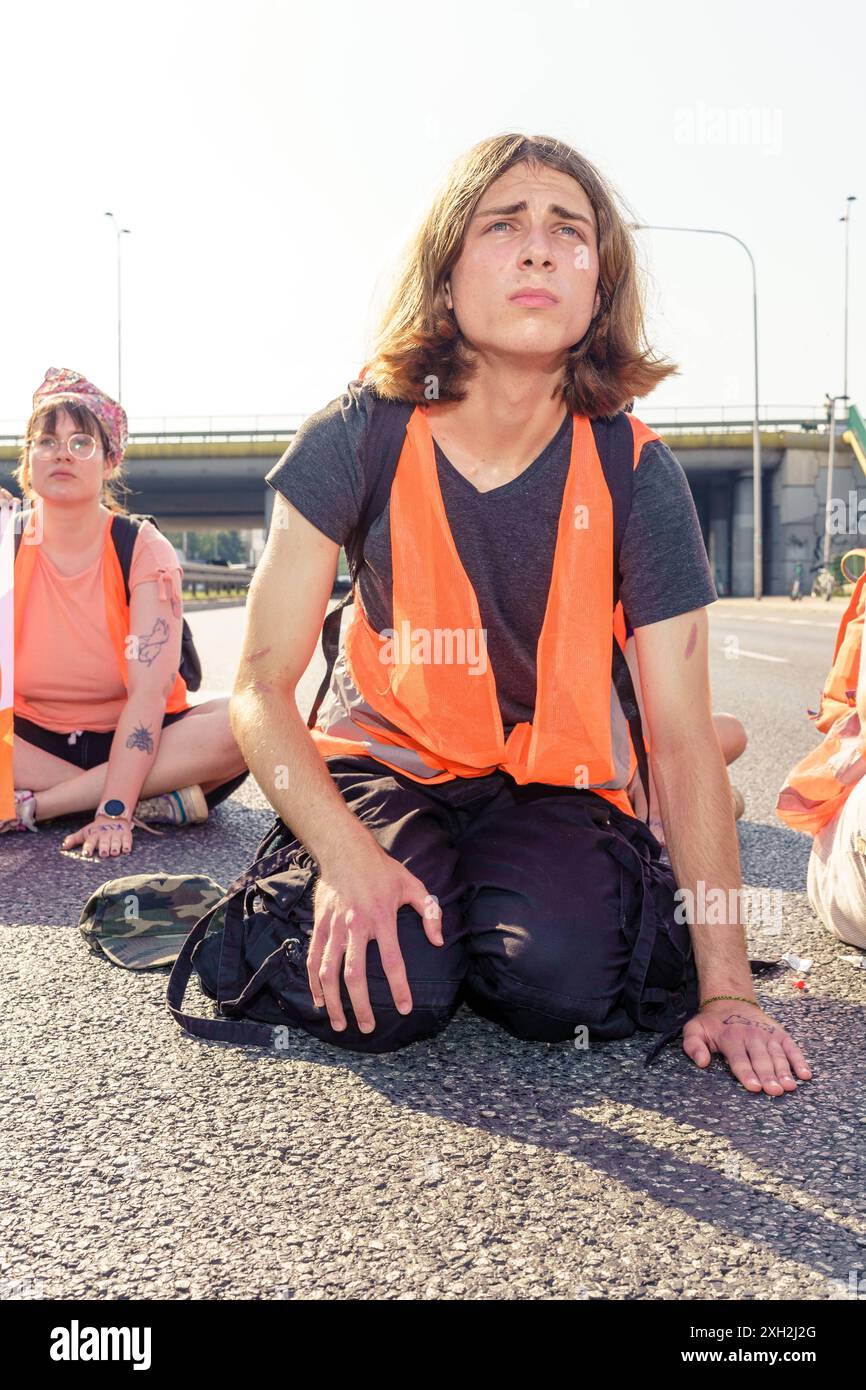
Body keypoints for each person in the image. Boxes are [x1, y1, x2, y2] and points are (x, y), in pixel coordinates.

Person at [229, 133, 810, 1095]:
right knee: (390, 989)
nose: (539, 248)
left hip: (554, 779)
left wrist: (730, 989)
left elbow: (680, 736)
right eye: (504, 224)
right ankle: (372, 885)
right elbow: (256, 685)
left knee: (563, 981)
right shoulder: (355, 432)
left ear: (597, 287)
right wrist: (344, 858)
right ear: (448, 278)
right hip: (388, 763)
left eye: (567, 232)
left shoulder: (637, 468)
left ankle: (518, 895)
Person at [0, 367, 249, 857]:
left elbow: (149, 694)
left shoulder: (140, 547)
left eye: (82, 442)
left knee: (247, 721)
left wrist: (113, 812)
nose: (64, 453)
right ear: (27, 462)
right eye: (47, 441)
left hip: (139, 731)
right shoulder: (6, 542)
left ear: (110, 460)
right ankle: (157, 796)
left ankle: (37, 806)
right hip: (32, 738)